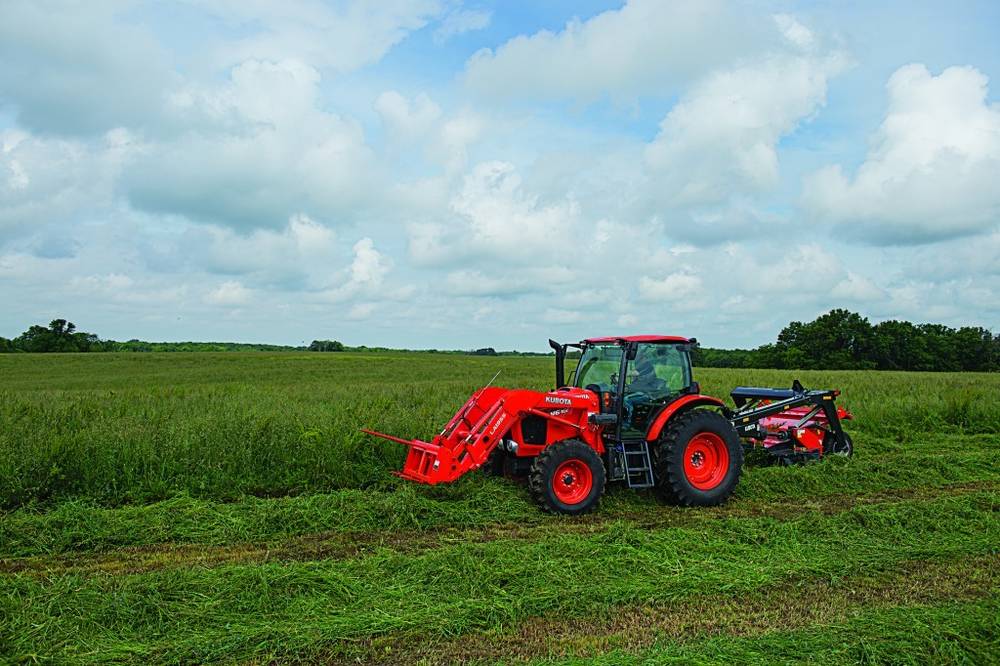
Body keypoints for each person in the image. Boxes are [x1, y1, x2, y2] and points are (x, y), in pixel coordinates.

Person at [622, 354, 667, 430]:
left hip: (647, 393)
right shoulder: (641, 366)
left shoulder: (647, 366)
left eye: (639, 358)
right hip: (640, 390)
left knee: (626, 400)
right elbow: (636, 382)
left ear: (644, 358)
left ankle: (626, 424)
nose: (637, 360)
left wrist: (621, 374)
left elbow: (635, 373)